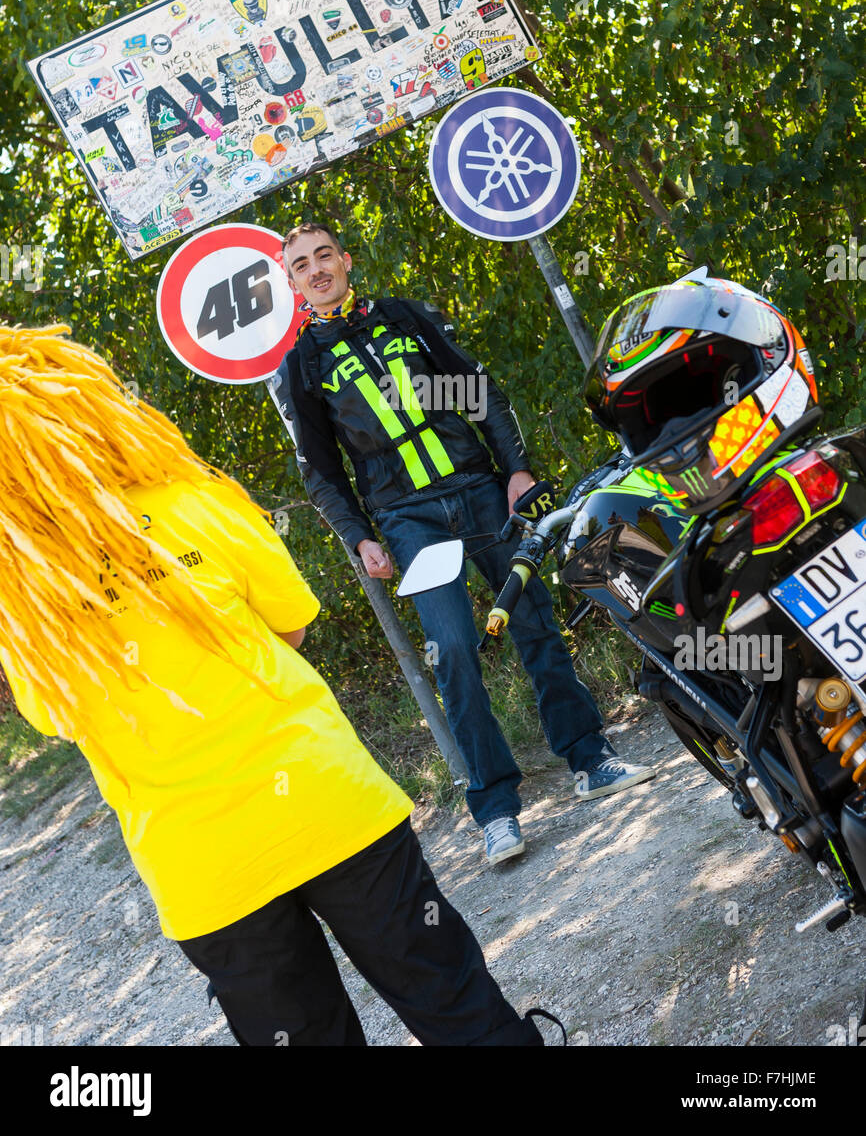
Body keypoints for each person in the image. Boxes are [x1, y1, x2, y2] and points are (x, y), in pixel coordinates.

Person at [0, 322, 548, 1046]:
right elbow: (289, 625)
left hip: (205, 869)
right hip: (328, 802)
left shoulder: (24, 595)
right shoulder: (195, 500)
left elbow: (59, 718)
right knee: (454, 1001)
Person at [271, 222, 655, 866]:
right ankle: (497, 809)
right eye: (300, 264)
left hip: (480, 491)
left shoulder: (405, 318)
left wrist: (517, 472)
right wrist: (359, 537)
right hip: (407, 519)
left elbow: (481, 394)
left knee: (534, 624)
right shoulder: (301, 366)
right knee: (452, 650)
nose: (315, 270)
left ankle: (590, 759)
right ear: (291, 282)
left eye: (323, 256)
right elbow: (322, 473)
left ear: (345, 260)